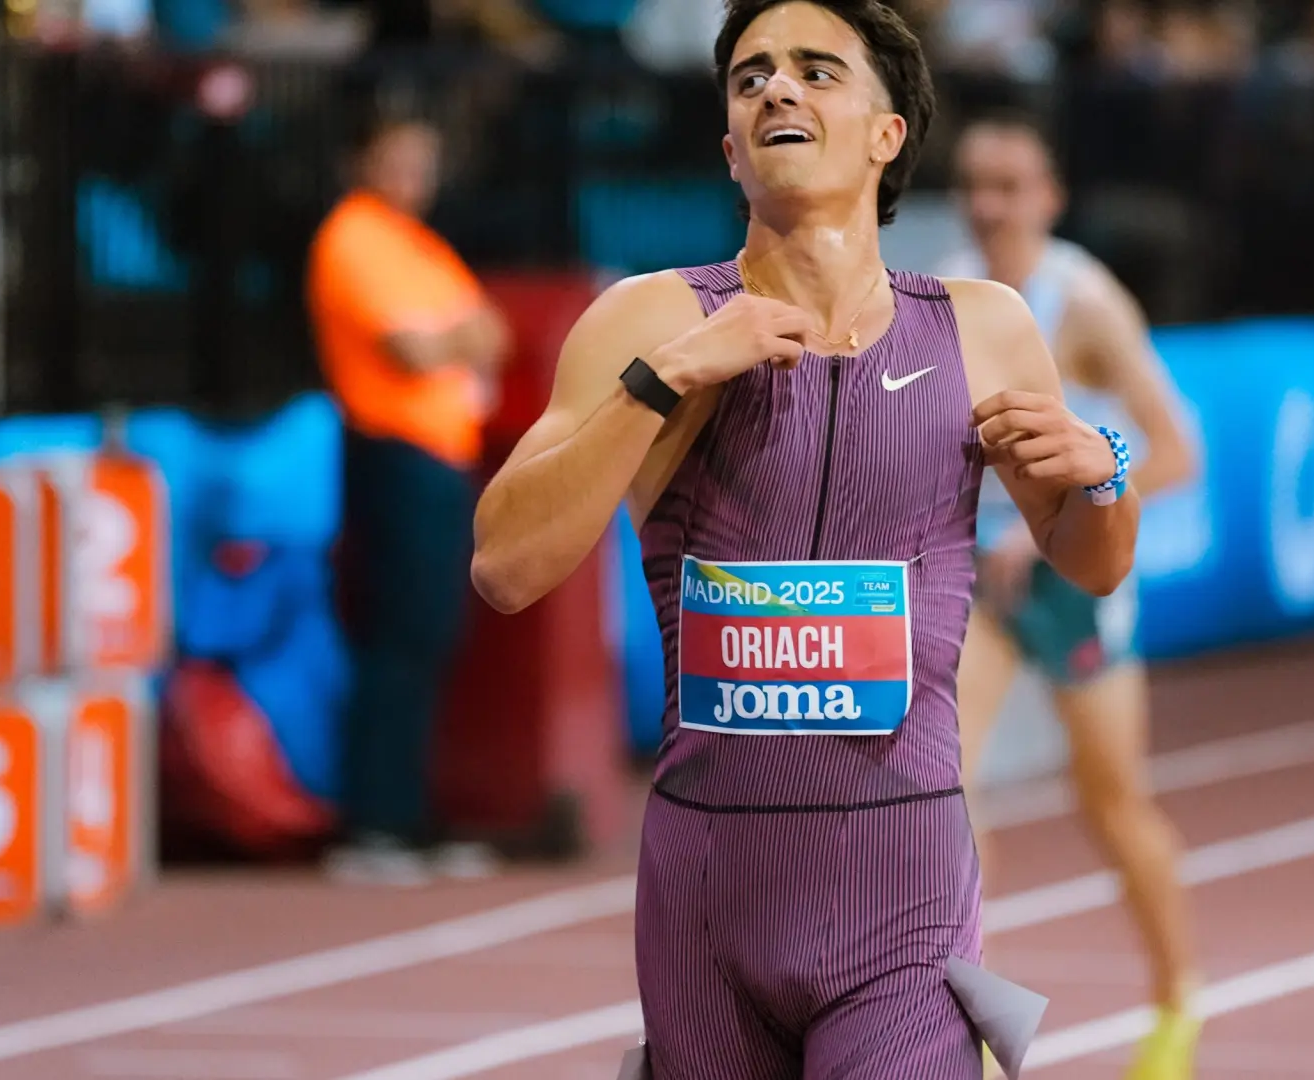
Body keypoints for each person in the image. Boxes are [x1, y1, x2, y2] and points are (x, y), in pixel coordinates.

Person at [469, 2, 1140, 1075]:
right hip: (707, 897)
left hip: (903, 883)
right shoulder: (648, 322)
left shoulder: (984, 325)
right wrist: (675, 373)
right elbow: (505, 567)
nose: (777, 88)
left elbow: (1093, 563)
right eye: (750, 78)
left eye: (817, 72)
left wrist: (1105, 472)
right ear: (730, 148)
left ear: (889, 134)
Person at [939, 110, 1204, 1080]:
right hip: (982, 582)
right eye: (975, 183)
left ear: (1049, 197)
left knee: (1113, 804)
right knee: (944, 794)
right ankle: (957, 1017)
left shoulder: (1083, 302)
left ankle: (1178, 999)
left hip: (1075, 581)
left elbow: (1173, 450)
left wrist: (1066, 500)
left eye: (1011, 187)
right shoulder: (950, 296)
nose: (989, 204)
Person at [307, 114, 513, 886]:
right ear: (359, 159)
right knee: (397, 638)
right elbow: (417, 346)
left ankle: (408, 816)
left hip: (440, 458)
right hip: (395, 455)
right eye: (396, 159)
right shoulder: (355, 237)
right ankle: (372, 824)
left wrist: (451, 338)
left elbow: (489, 333)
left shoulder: (417, 245)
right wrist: (452, 338)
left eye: (423, 163)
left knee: (429, 637)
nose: (412, 176)